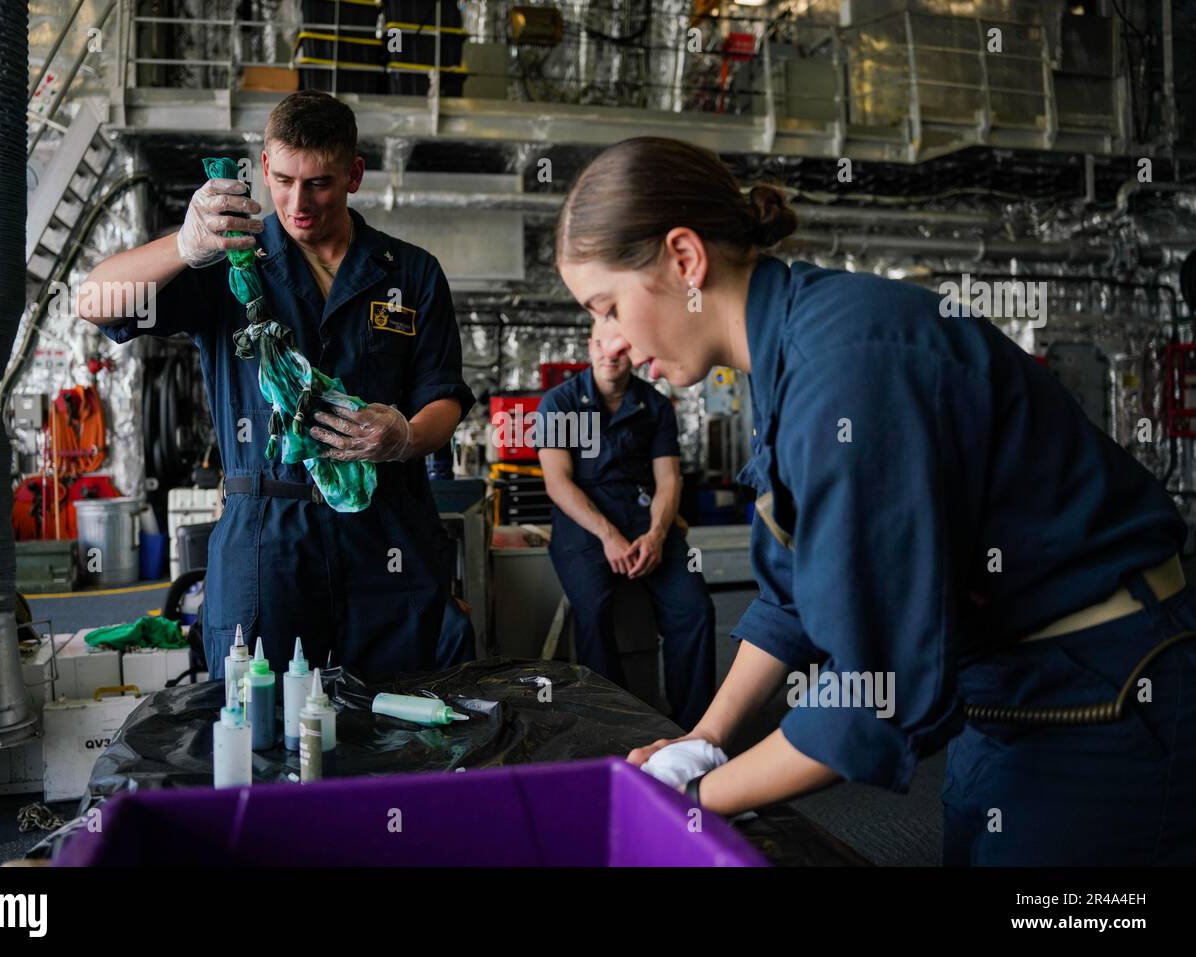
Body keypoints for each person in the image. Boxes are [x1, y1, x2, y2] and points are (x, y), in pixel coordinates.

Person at [554, 136, 1196, 866]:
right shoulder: (794, 349)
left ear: (684, 258)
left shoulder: (843, 369)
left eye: (606, 307)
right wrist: (704, 740)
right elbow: (793, 596)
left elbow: (871, 692)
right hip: (1008, 696)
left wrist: (691, 803)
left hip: (1105, 698)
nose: (604, 341)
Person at [80, 91, 473, 680]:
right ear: (263, 168)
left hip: (385, 526)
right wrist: (184, 246)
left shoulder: (410, 272)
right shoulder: (227, 262)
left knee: (405, 713)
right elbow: (94, 300)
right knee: (259, 723)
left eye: (319, 183)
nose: (297, 202)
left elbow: (443, 396)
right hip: (266, 534)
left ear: (354, 175)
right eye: (283, 179)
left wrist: (404, 436)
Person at [537, 323, 716, 729]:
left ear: (633, 351)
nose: (609, 355)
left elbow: (669, 480)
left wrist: (656, 535)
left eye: (619, 348)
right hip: (583, 520)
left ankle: (693, 728)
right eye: (600, 345)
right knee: (593, 610)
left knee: (694, 608)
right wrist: (608, 536)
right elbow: (557, 483)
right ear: (590, 346)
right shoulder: (560, 403)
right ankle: (613, 727)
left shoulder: (653, 405)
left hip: (645, 514)